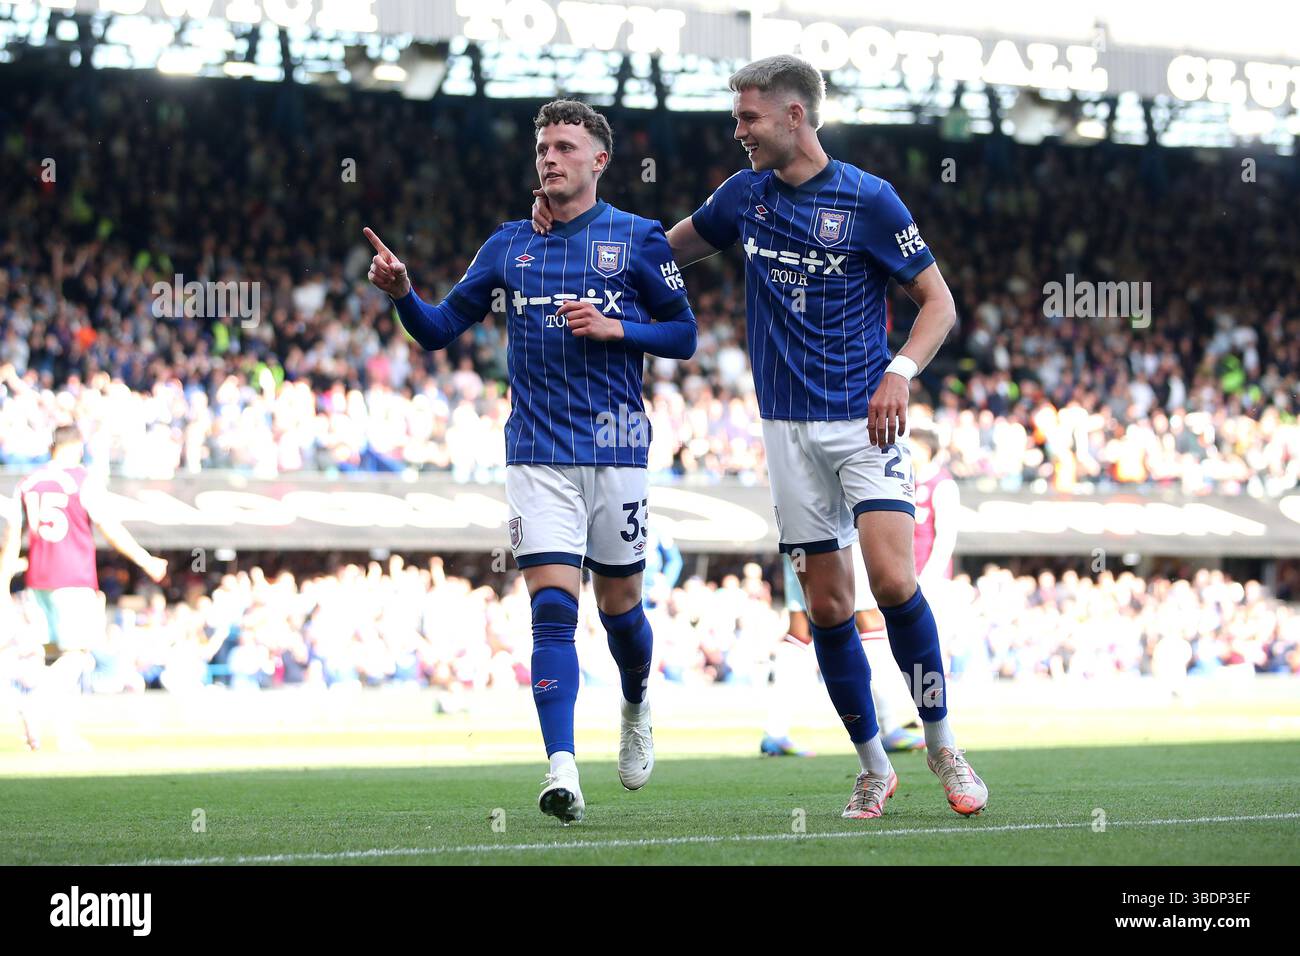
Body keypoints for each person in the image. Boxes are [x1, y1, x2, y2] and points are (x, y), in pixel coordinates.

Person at [534, 54, 987, 818]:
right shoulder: (745, 197)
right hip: (783, 431)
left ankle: (944, 746)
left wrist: (901, 370)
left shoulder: (869, 200)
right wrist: (569, 217)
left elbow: (937, 302)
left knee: (893, 581)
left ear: (793, 117)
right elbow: (657, 249)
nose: (736, 131)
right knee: (829, 608)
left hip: (862, 417)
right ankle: (875, 766)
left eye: (747, 118)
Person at [366, 100, 697, 824]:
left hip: (617, 452)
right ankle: (562, 768)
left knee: (620, 613)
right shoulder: (508, 245)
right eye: (542, 147)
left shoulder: (638, 238)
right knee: (551, 611)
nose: (549, 157)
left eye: (564, 146)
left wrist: (617, 328)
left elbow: (683, 335)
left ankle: (637, 705)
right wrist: (402, 295)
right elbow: (437, 330)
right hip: (537, 454)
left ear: (598, 160)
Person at [0, 423, 168, 750]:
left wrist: (4, 582)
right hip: (73, 577)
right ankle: (33, 704)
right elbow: (109, 527)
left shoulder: (26, 483)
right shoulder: (81, 480)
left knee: (53, 656)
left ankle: (63, 735)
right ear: (75, 446)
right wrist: (146, 560)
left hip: (38, 580)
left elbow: (11, 542)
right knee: (79, 655)